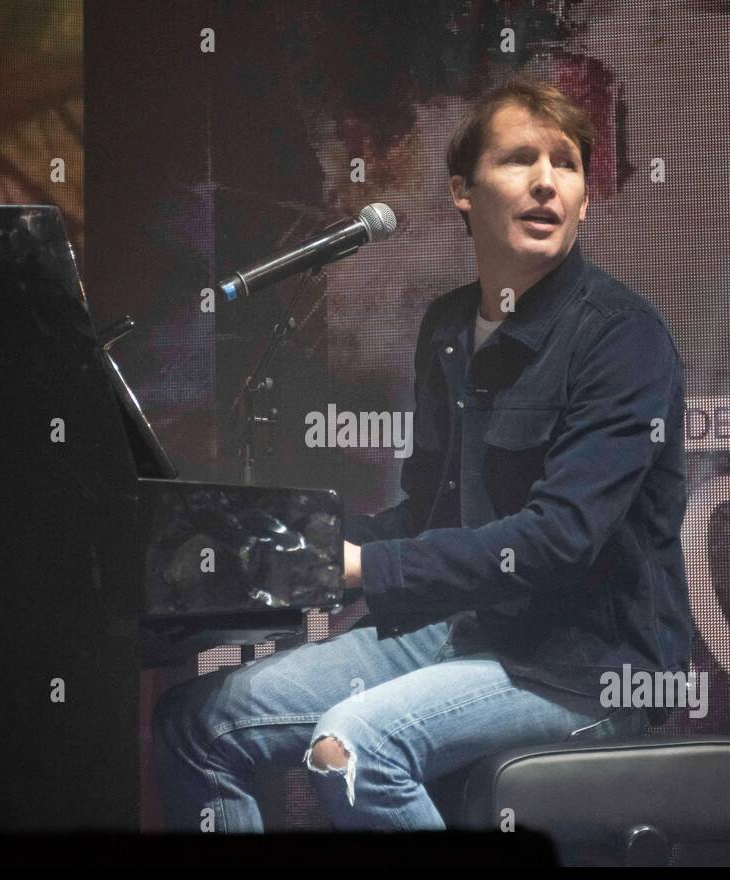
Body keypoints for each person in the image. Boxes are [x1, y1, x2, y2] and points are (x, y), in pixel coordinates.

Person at [152, 74, 696, 832]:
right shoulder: (447, 327)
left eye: (565, 164)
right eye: (518, 160)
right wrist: (303, 550)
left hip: (591, 665)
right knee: (197, 723)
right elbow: (432, 514)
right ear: (462, 192)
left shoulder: (619, 337)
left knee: (357, 748)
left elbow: (558, 540)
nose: (546, 182)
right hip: (469, 628)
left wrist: (362, 569)